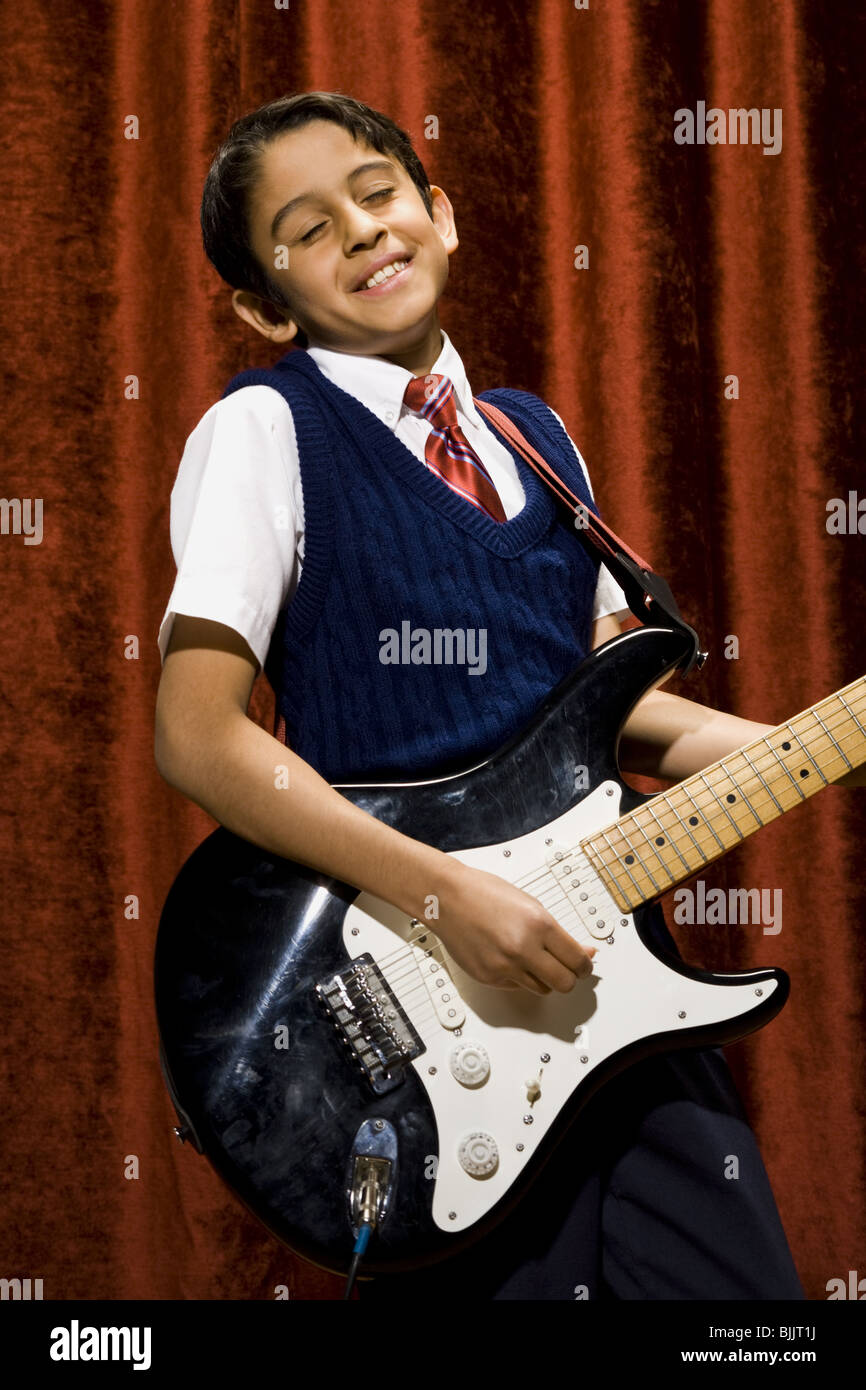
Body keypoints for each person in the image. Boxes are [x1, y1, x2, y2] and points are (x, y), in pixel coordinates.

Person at [154, 91, 860, 1299]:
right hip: (416, 1038)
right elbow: (195, 732)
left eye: (377, 196)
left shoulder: (535, 437)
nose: (363, 232)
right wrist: (443, 897)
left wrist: (816, 743)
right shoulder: (264, 430)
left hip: (607, 988)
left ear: (440, 214)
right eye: (309, 229)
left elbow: (609, 706)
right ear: (262, 305)